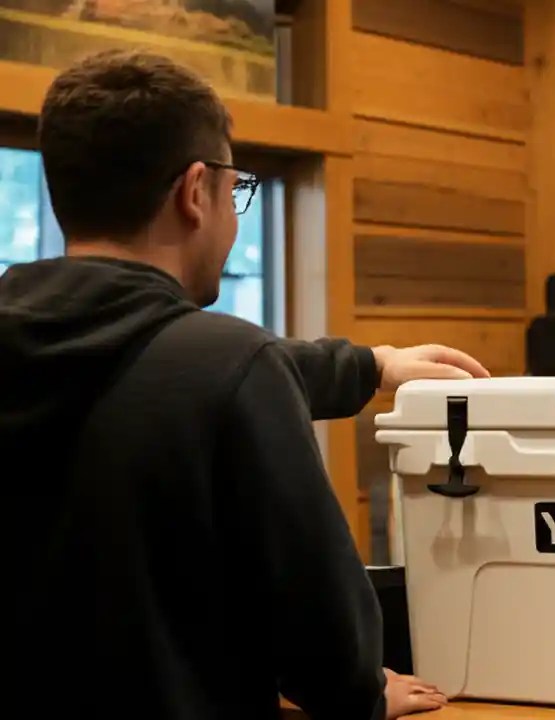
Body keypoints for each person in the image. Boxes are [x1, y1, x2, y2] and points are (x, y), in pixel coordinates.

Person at [0, 50, 488, 720]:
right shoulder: (231, 365)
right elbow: (329, 649)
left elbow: (160, 357)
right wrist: (363, 690)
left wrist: (372, 365)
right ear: (195, 192)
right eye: (238, 190)